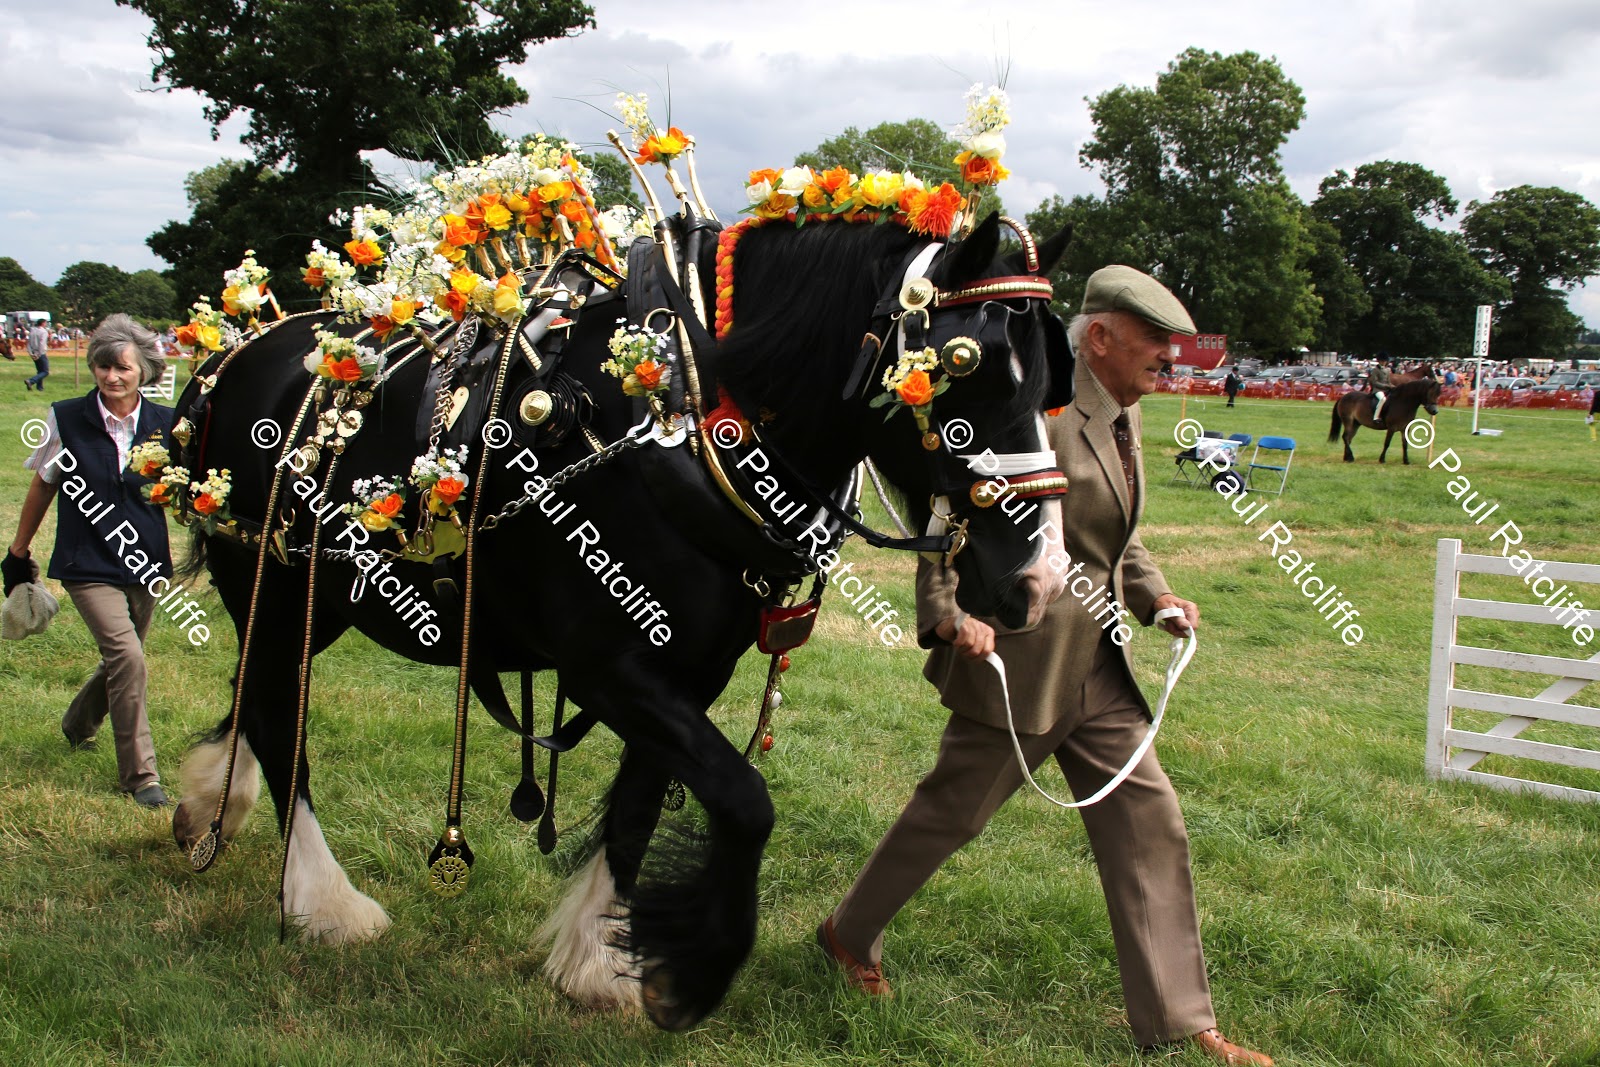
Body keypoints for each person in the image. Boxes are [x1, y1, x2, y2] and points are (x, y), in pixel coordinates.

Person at [816, 266, 1272, 1066]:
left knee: (1149, 824)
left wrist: (1157, 597)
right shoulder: (1040, 409)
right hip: (1019, 661)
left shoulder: (1124, 412)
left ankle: (1181, 1021)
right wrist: (948, 614)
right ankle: (848, 935)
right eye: (1155, 349)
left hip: (1101, 667)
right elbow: (949, 509)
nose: (1167, 365)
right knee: (951, 813)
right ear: (1099, 338)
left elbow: (1113, 539)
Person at [3, 314, 175, 808]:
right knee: (127, 656)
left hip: (146, 563)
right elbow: (43, 483)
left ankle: (78, 723)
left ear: (144, 369)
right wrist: (18, 551)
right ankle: (141, 778)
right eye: (102, 367)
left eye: (121, 368)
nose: (111, 377)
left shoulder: (166, 425)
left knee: (124, 660)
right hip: (87, 561)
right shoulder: (67, 418)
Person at [25, 319, 50, 391]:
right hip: (40, 353)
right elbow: (42, 343)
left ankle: (40, 387)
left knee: (40, 371)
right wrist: (39, 353)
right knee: (45, 371)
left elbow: (29, 343)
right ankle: (31, 381)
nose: (46, 324)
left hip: (33, 352)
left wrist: (30, 353)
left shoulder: (32, 331)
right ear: (43, 323)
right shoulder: (44, 331)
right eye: (45, 323)